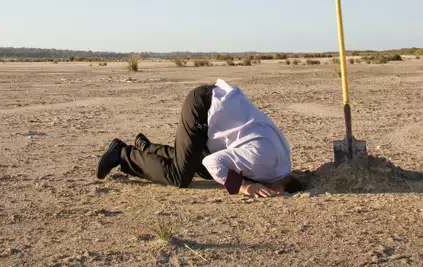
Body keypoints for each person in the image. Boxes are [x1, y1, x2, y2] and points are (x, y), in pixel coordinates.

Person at [96, 79, 302, 197]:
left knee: (200, 168)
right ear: (276, 189)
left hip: (217, 104)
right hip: (202, 109)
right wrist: (244, 187)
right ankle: (123, 154)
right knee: (179, 177)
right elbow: (211, 162)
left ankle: (147, 149)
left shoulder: (282, 162)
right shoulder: (260, 160)